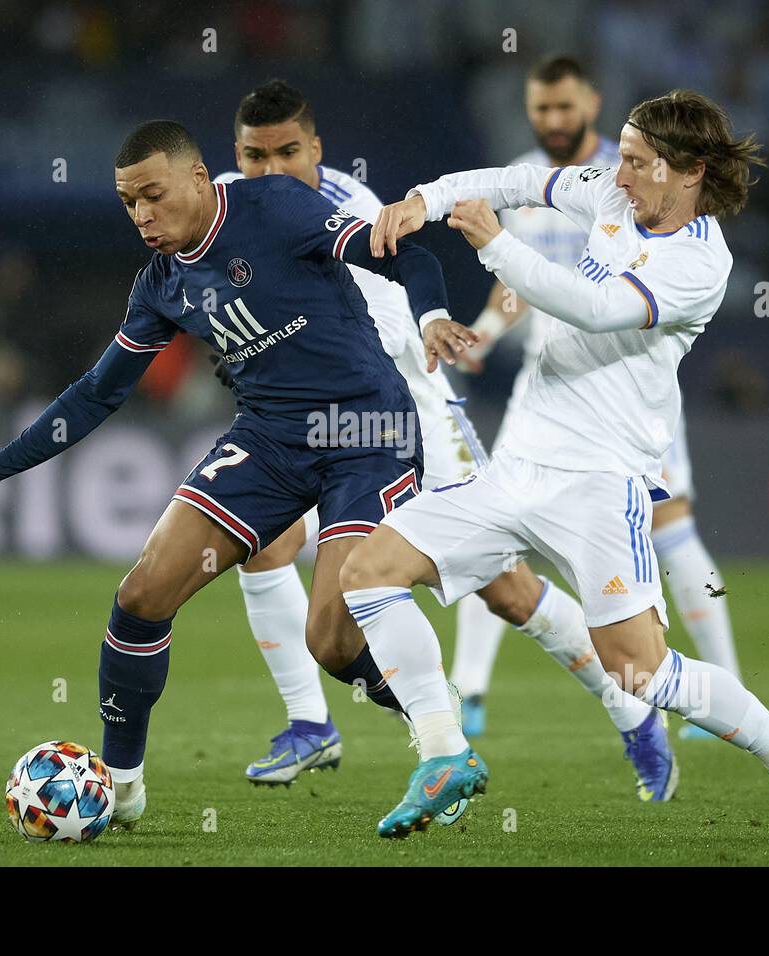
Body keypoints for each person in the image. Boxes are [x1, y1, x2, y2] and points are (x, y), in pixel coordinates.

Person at [0, 118, 477, 830]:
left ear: (197, 179)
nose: (143, 216)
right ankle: (121, 788)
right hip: (272, 438)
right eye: (129, 203)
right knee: (143, 592)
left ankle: (441, 739)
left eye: (153, 195)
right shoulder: (161, 283)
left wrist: (432, 317)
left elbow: (408, 256)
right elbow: (97, 393)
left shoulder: (275, 205)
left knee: (334, 640)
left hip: (364, 432)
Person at [344, 90, 769, 847]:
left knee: (639, 673)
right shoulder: (611, 189)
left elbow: (596, 307)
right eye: (623, 153)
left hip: (601, 481)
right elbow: (511, 185)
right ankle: (446, 752)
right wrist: (427, 200)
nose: (621, 171)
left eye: (640, 162)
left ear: (689, 172)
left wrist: (493, 246)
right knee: (368, 571)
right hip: (519, 464)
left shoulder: (699, 262)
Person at [219, 79, 675, 808]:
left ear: (318, 150)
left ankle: (630, 709)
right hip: (310, 421)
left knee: (507, 590)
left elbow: (391, 325)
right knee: (263, 544)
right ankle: (310, 722)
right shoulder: (224, 203)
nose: (272, 173)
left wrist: (430, 318)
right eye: (254, 157)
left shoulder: (350, 215)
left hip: (409, 415)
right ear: (234, 156)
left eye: (289, 154)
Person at [456, 57, 742, 743]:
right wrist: (488, 333)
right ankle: (469, 689)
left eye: (563, 107)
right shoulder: (538, 176)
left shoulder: (638, 173)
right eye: (540, 109)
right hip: (551, 387)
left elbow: (607, 299)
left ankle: (724, 680)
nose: (551, 121)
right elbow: (516, 283)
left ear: (590, 104)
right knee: (494, 520)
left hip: (629, 390)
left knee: (673, 529)